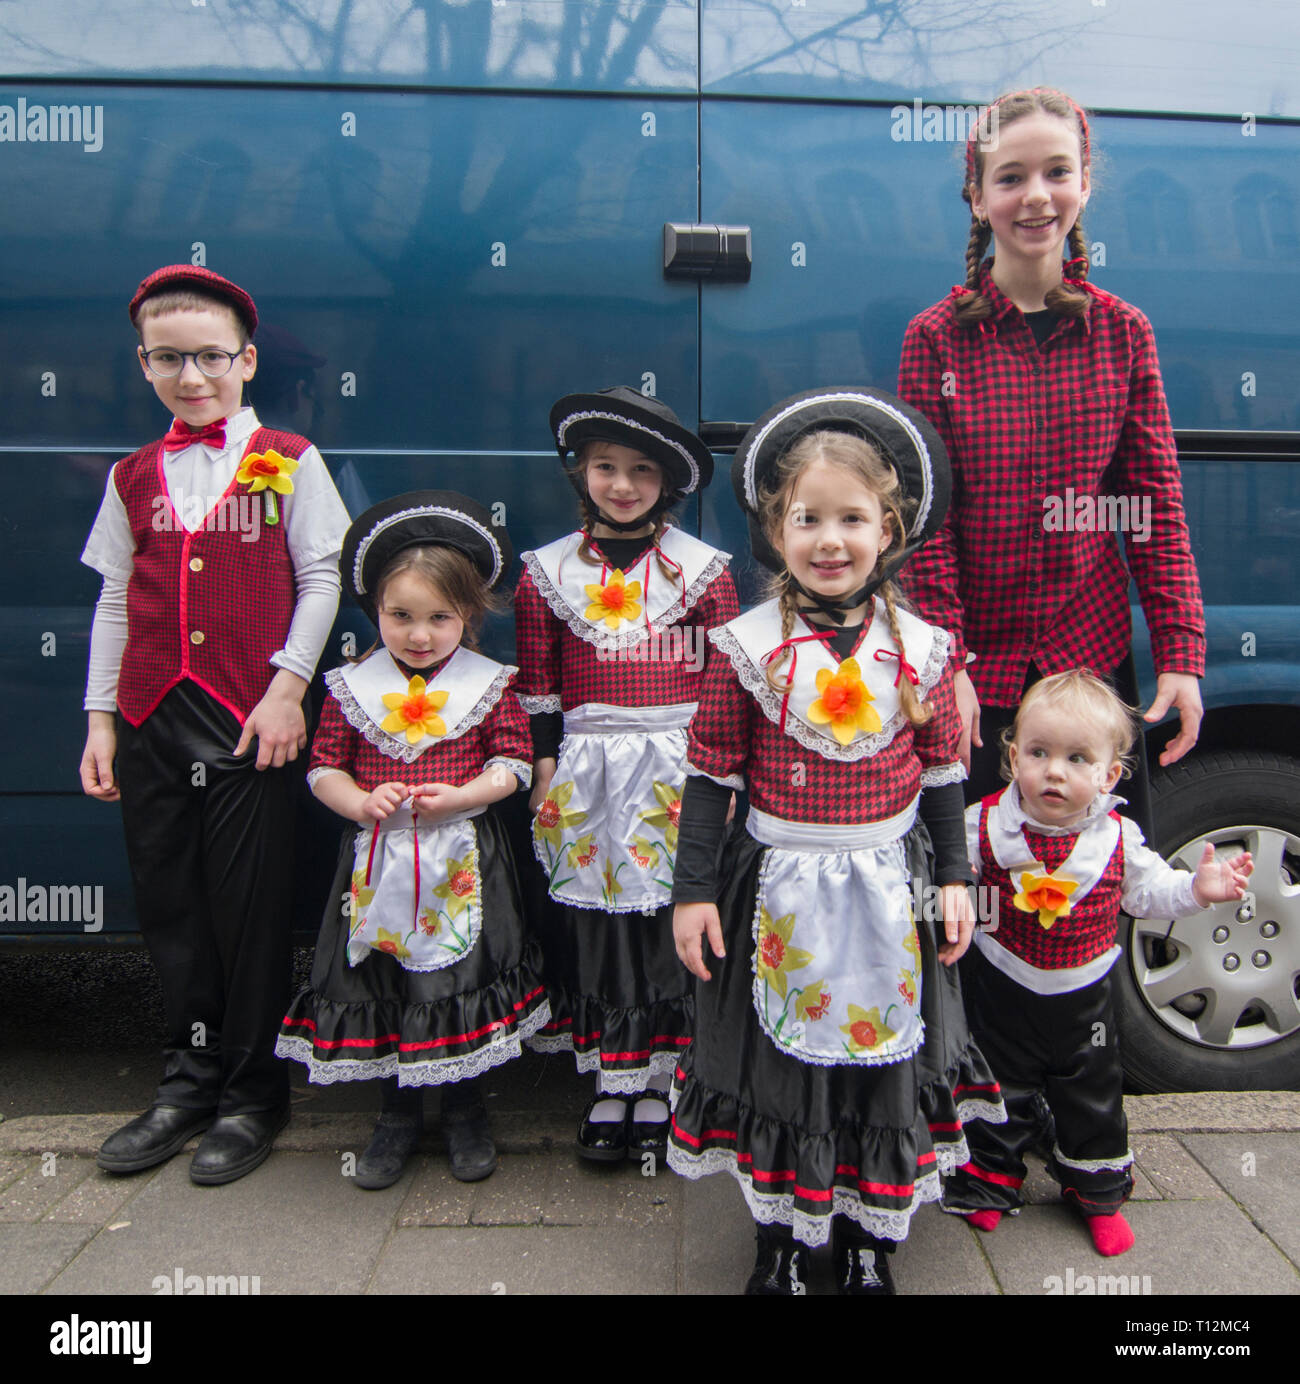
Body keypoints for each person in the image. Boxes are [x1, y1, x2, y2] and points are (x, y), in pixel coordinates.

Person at [669, 388, 1005, 1295]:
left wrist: (956, 880)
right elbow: (711, 777)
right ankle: (781, 1234)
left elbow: (942, 777)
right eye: (806, 518)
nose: (830, 540)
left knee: (884, 1060)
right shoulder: (744, 646)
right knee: (780, 1064)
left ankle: (867, 1237)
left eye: (852, 518)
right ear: (776, 530)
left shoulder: (925, 650)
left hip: (891, 890)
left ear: (889, 527)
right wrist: (693, 890)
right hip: (778, 888)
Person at [79, 265, 350, 1184]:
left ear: (246, 359)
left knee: (248, 912)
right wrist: (102, 719)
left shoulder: (290, 458)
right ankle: (184, 1082)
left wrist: (287, 690)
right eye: (169, 359)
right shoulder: (133, 475)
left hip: (247, 716)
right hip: (154, 714)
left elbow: (323, 580)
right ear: (145, 364)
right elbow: (116, 598)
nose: (192, 376)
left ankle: (250, 1093)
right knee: (173, 908)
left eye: (210, 357)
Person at [897, 87, 1206, 823]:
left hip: (1089, 666)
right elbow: (924, 524)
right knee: (972, 890)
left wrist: (1182, 652)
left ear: (1085, 184)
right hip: (978, 673)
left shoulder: (1125, 334)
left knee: (1094, 884)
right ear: (976, 197)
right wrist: (950, 664)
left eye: (1057, 172)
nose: (1036, 197)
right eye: (1010, 178)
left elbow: (1153, 508)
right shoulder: (934, 338)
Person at [277, 492, 547, 1187]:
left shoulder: (488, 687)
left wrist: (465, 795)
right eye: (401, 616)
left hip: (461, 859)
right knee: (391, 978)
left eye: (438, 618)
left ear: (468, 615)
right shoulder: (350, 688)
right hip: (376, 862)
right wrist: (362, 802)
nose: (419, 635)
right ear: (376, 612)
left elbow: (512, 764)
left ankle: (463, 1109)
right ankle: (395, 1114)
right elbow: (323, 769)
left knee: (450, 979)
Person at [950, 670, 1252, 1255]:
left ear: (1109, 773)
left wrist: (1199, 889)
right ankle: (989, 1181)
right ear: (1013, 758)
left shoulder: (1118, 838)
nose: (1054, 771)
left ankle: (1096, 1191)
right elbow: (947, 881)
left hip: (1082, 997)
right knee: (995, 1088)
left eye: (1077, 757)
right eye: (1039, 753)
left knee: (1091, 1093)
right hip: (1001, 984)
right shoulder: (982, 823)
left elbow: (1149, 893)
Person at [515, 387, 739, 1162]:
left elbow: (722, 682)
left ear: (668, 484)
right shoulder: (545, 574)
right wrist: (545, 771)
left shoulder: (703, 573)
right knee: (603, 920)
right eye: (604, 466)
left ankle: (672, 1078)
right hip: (587, 770)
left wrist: (719, 778)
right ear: (580, 473)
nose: (621, 484)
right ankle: (617, 1079)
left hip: (677, 764)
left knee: (667, 915)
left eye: (641, 470)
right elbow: (538, 684)